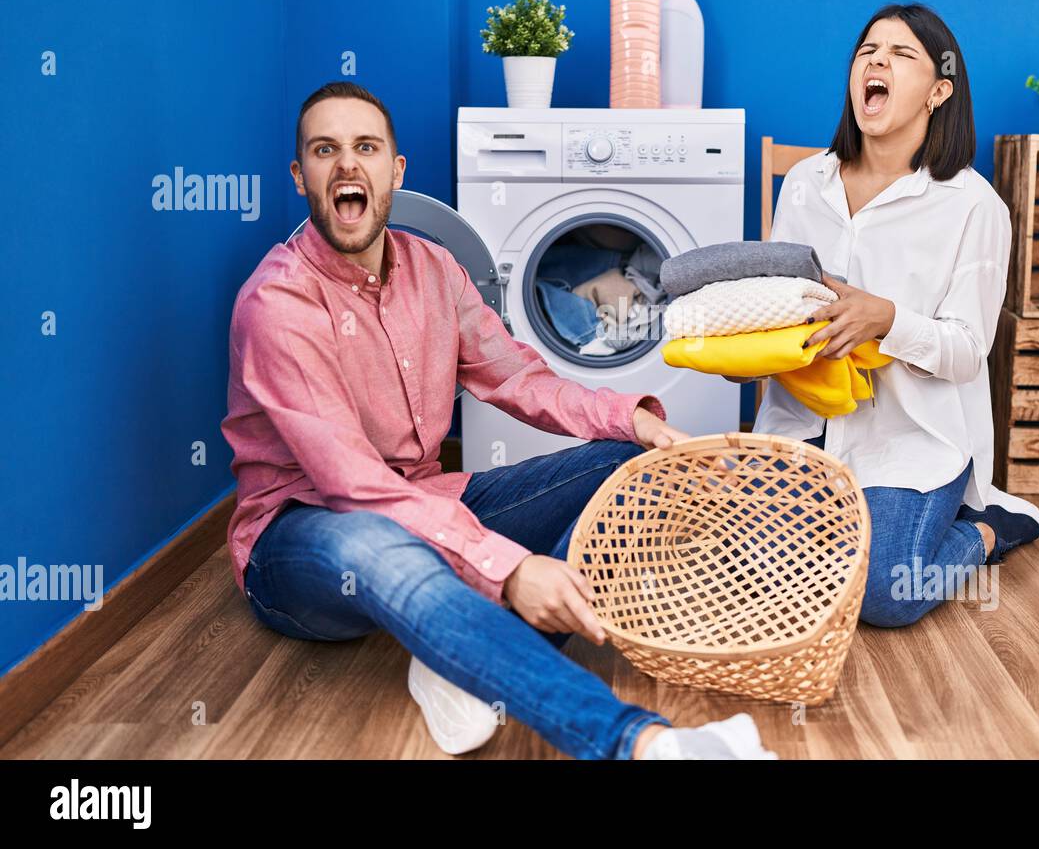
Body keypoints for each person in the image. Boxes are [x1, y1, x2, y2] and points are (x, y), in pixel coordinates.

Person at [221, 81, 776, 760]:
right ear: (299, 175)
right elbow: (354, 488)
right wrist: (510, 571)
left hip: (429, 499)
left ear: (395, 170)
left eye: (365, 147)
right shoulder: (278, 304)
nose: (346, 166)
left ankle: (458, 659)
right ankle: (642, 745)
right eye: (324, 150)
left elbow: (516, 377)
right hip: (302, 537)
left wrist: (634, 421)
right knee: (377, 543)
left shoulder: (435, 270)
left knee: (625, 464)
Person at [747, 4, 1039, 628]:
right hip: (803, 427)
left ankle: (989, 530)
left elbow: (967, 350)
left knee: (887, 593)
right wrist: (748, 350)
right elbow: (781, 304)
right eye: (867, 51)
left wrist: (886, 318)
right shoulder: (805, 183)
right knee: (758, 582)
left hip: (911, 441)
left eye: (901, 54)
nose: (876, 61)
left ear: (940, 90)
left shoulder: (972, 206)